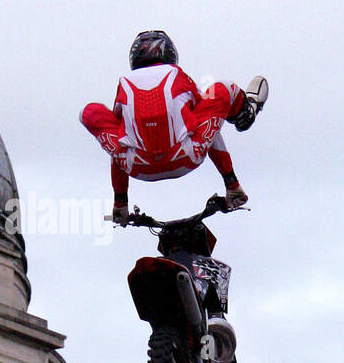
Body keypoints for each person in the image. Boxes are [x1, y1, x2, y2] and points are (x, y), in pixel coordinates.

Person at [80, 30, 268, 224]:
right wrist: (231, 182)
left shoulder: (124, 82)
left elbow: (121, 136)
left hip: (138, 166)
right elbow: (203, 113)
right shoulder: (176, 73)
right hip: (186, 157)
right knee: (221, 89)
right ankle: (246, 112)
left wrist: (120, 201)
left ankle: (121, 202)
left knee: (90, 112)